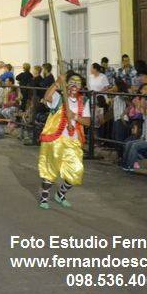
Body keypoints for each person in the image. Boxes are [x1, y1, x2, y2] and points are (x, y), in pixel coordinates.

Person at [37, 73, 91, 209]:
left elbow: (88, 122)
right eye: (72, 81)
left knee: (76, 170)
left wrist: (74, 117)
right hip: (56, 139)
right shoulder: (59, 97)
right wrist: (57, 83)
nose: (74, 85)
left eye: (78, 82)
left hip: (73, 141)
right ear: (67, 84)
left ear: (81, 86)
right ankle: (44, 198)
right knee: (50, 169)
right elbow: (47, 97)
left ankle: (60, 194)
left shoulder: (84, 101)